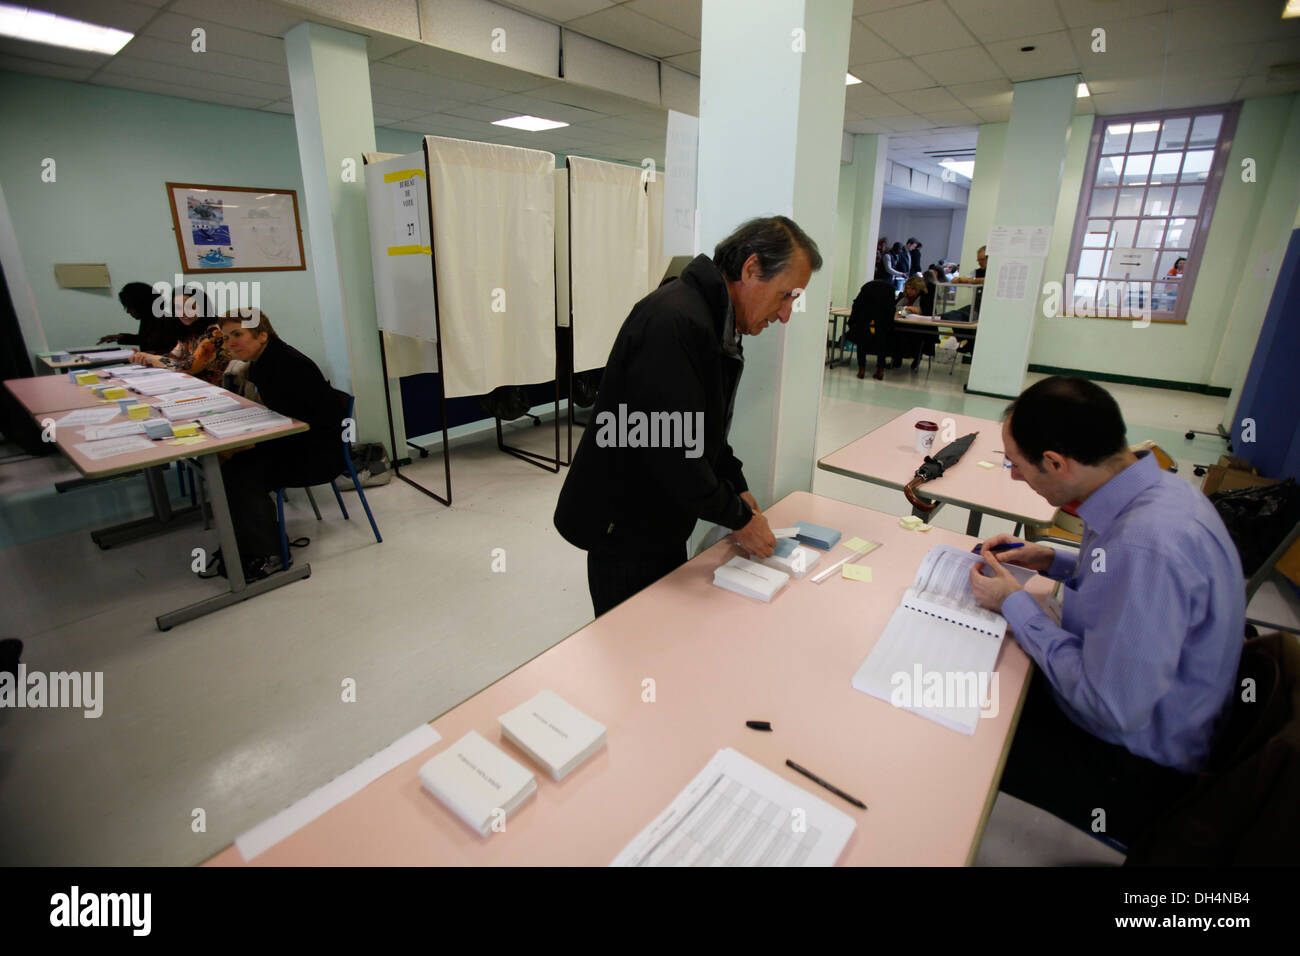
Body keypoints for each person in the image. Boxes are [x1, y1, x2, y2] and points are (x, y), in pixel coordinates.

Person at [966, 376, 1246, 845]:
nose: (1014, 477)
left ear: (1055, 463)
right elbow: (1117, 572)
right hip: (1158, 707)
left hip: (1133, 767)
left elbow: (1111, 707)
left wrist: (1013, 602)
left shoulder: (1148, 544)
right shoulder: (1154, 490)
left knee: (965, 710)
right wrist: (1050, 558)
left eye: (1016, 466)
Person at [554, 216, 822, 617]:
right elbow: (673, 453)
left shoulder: (712, 323)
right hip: (625, 527)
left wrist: (737, 487)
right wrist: (739, 519)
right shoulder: (676, 322)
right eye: (786, 296)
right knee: (634, 647)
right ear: (751, 269)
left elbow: (703, 429)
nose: (785, 315)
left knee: (661, 637)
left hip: (657, 519)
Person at [206, 310, 346, 581]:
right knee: (232, 467)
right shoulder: (263, 360)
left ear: (261, 335)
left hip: (316, 453)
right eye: (226, 337)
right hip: (296, 442)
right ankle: (249, 542)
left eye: (238, 335)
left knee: (240, 474)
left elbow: (293, 422)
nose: (231, 343)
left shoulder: (286, 364)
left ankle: (270, 553)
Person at [128, 285, 233, 386]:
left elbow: (189, 368)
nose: (183, 312)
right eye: (178, 308)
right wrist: (144, 357)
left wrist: (153, 359)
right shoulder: (189, 330)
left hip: (216, 389)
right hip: (193, 385)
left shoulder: (215, 333)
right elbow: (173, 356)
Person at [99, 282, 181, 354]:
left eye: (130, 307)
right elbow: (147, 340)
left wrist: (152, 354)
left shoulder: (168, 319)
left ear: (141, 305)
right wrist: (120, 337)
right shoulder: (148, 318)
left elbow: (178, 349)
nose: (128, 312)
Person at [847, 279, 895, 381]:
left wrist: (851, 322)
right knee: (881, 344)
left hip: (864, 317)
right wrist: (890, 323)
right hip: (882, 319)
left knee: (862, 344)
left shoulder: (866, 287)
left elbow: (857, 304)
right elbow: (891, 308)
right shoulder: (889, 289)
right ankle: (880, 370)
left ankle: (861, 370)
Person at [892, 276, 933, 371]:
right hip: (905, 325)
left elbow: (918, 310)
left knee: (914, 337)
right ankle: (897, 359)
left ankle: (916, 358)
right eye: (907, 288)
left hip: (920, 328)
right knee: (896, 333)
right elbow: (896, 309)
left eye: (913, 289)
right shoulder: (905, 297)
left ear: (919, 289)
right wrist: (906, 309)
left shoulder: (924, 298)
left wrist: (906, 309)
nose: (909, 291)